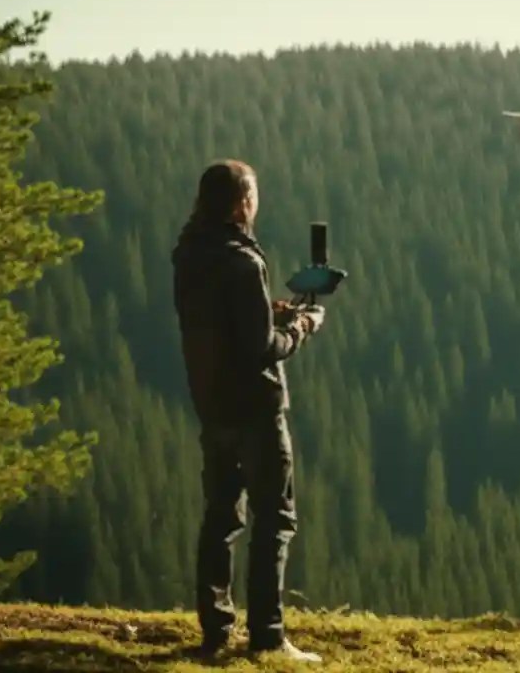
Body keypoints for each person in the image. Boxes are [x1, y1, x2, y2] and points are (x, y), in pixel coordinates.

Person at [171, 159, 326, 663]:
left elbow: (220, 322)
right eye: (253, 196)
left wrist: (269, 310)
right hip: (256, 409)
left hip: (212, 404)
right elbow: (262, 348)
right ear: (241, 203)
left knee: (221, 518)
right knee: (274, 518)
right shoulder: (244, 261)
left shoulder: (190, 253)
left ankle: (215, 631)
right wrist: (302, 326)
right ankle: (268, 635)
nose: (256, 204)